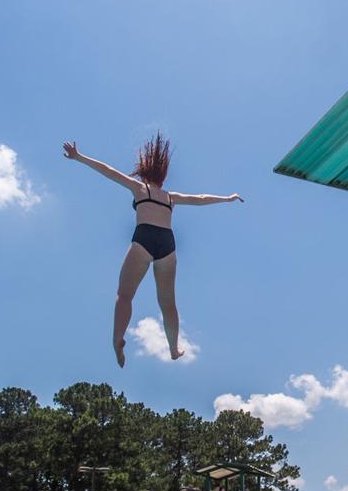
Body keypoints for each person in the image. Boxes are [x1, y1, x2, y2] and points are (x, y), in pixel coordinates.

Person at [61, 136, 244, 366]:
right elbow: (200, 199)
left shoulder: (139, 188)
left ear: (144, 171)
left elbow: (108, 171)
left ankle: (117, 338)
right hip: (167, 243)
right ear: (163, 175)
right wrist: (227, 198)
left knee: (125, 295)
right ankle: (174, 348)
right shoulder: (170, 197)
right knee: (168, 302)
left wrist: (79, 157)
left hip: (144, 237)